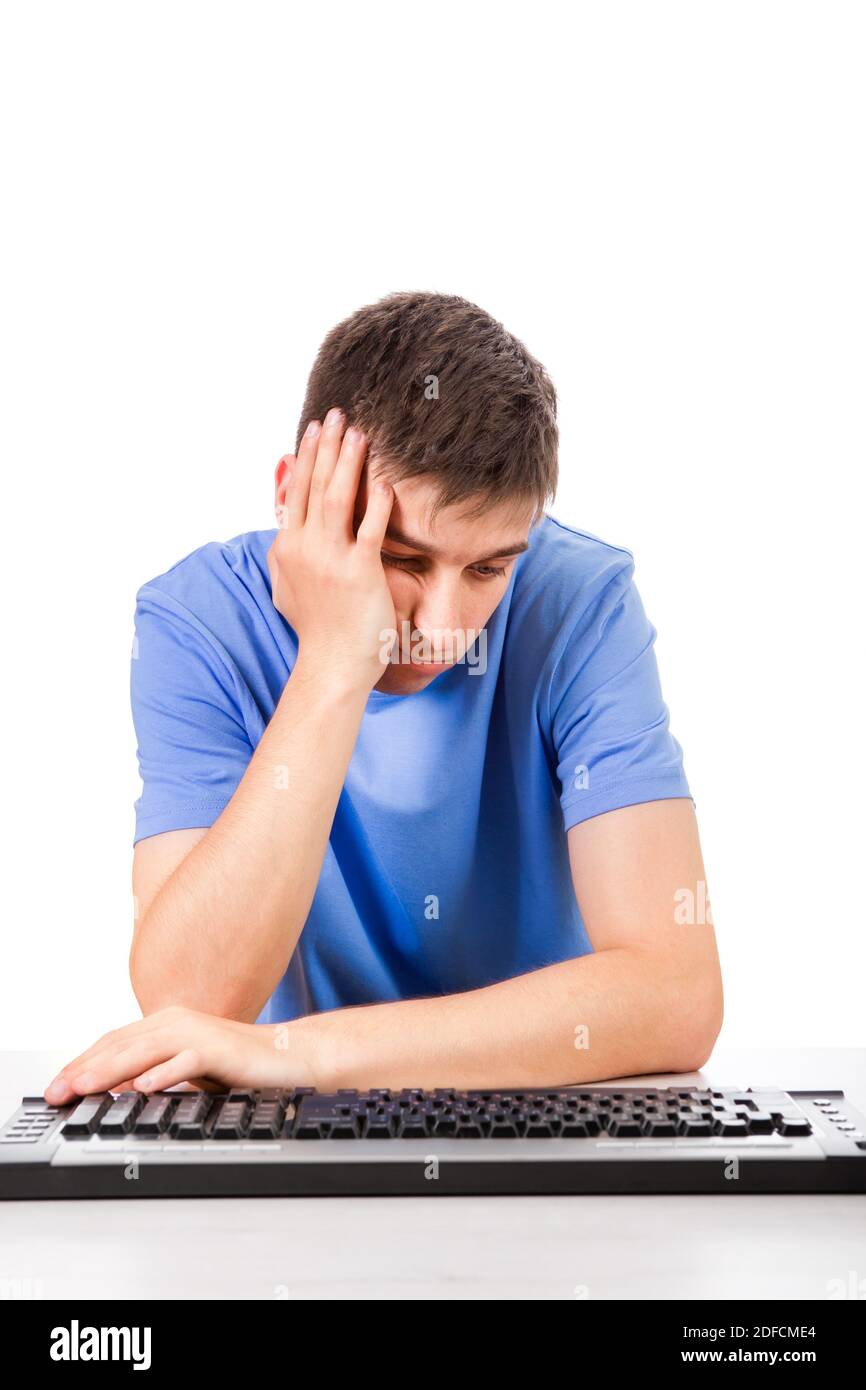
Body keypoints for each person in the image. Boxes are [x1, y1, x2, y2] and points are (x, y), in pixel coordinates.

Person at [45, 291, 722, 1104]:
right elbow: (190, 1002)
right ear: (296, 496)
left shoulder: (582, 603)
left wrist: (307, 1053)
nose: (445, 628)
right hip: (298, 1164)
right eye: (402, 559)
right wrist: (334, 661)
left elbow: (677, 998)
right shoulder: (198, 622)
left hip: (539, 1127)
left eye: (488, 570)